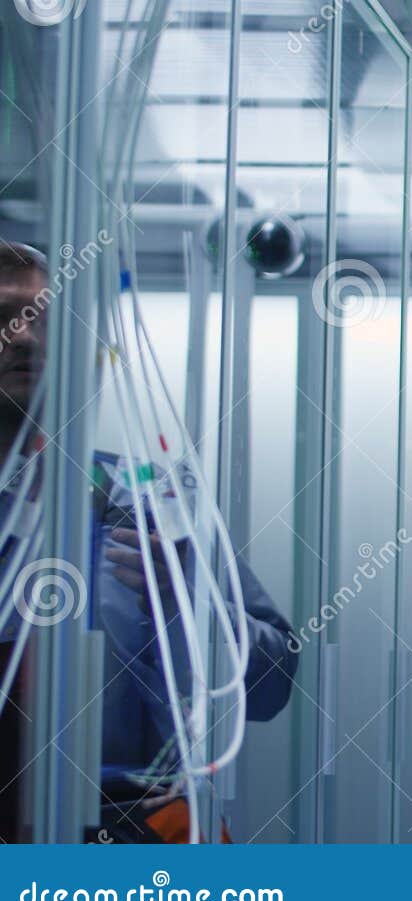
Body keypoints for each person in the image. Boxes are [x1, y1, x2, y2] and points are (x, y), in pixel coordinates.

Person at [0, 241, 296, 843]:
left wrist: (188, 598)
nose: (27, 336)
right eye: (6, 316)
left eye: (47, 317)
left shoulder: (142, 499)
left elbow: (270, 684)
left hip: (121, 838)